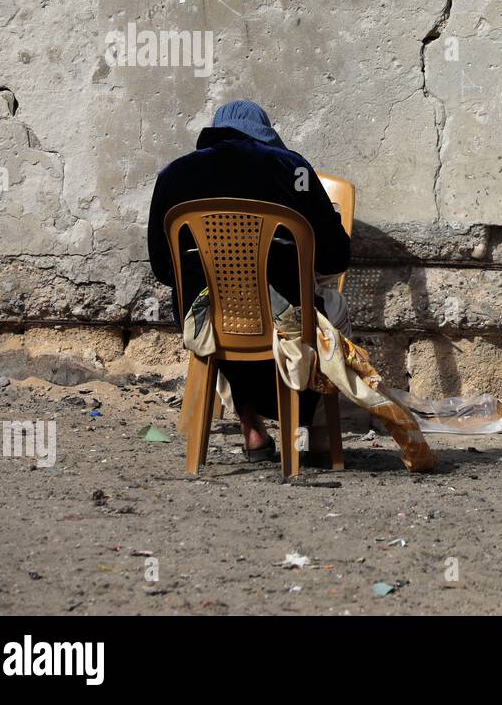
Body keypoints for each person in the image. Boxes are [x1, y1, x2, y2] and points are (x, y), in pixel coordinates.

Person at [147, 100, 351, 462]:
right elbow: (337, 257)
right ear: (266, 136)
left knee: (216, 306)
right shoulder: (293, 169)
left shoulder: (172, 175)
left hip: (208, 321)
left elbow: (164, 269)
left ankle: (251, 427)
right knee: (334, 308)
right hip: (286, 320)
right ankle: (316, 432)